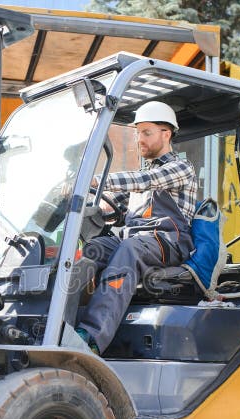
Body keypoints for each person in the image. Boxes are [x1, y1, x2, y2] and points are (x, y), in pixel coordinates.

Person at [76, 101, 197, 354]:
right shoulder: (141, 177)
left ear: (166, 134)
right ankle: (61, 320)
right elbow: (115, 208)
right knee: (95, 248)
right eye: (137, 132)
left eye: (146, 133)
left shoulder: (180, 168)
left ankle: (92, 337)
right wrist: (88, 206)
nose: (139, 139)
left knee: (129, 249)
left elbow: (146, 181)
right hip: (138, 240)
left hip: (169, 241)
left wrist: (95, 178)